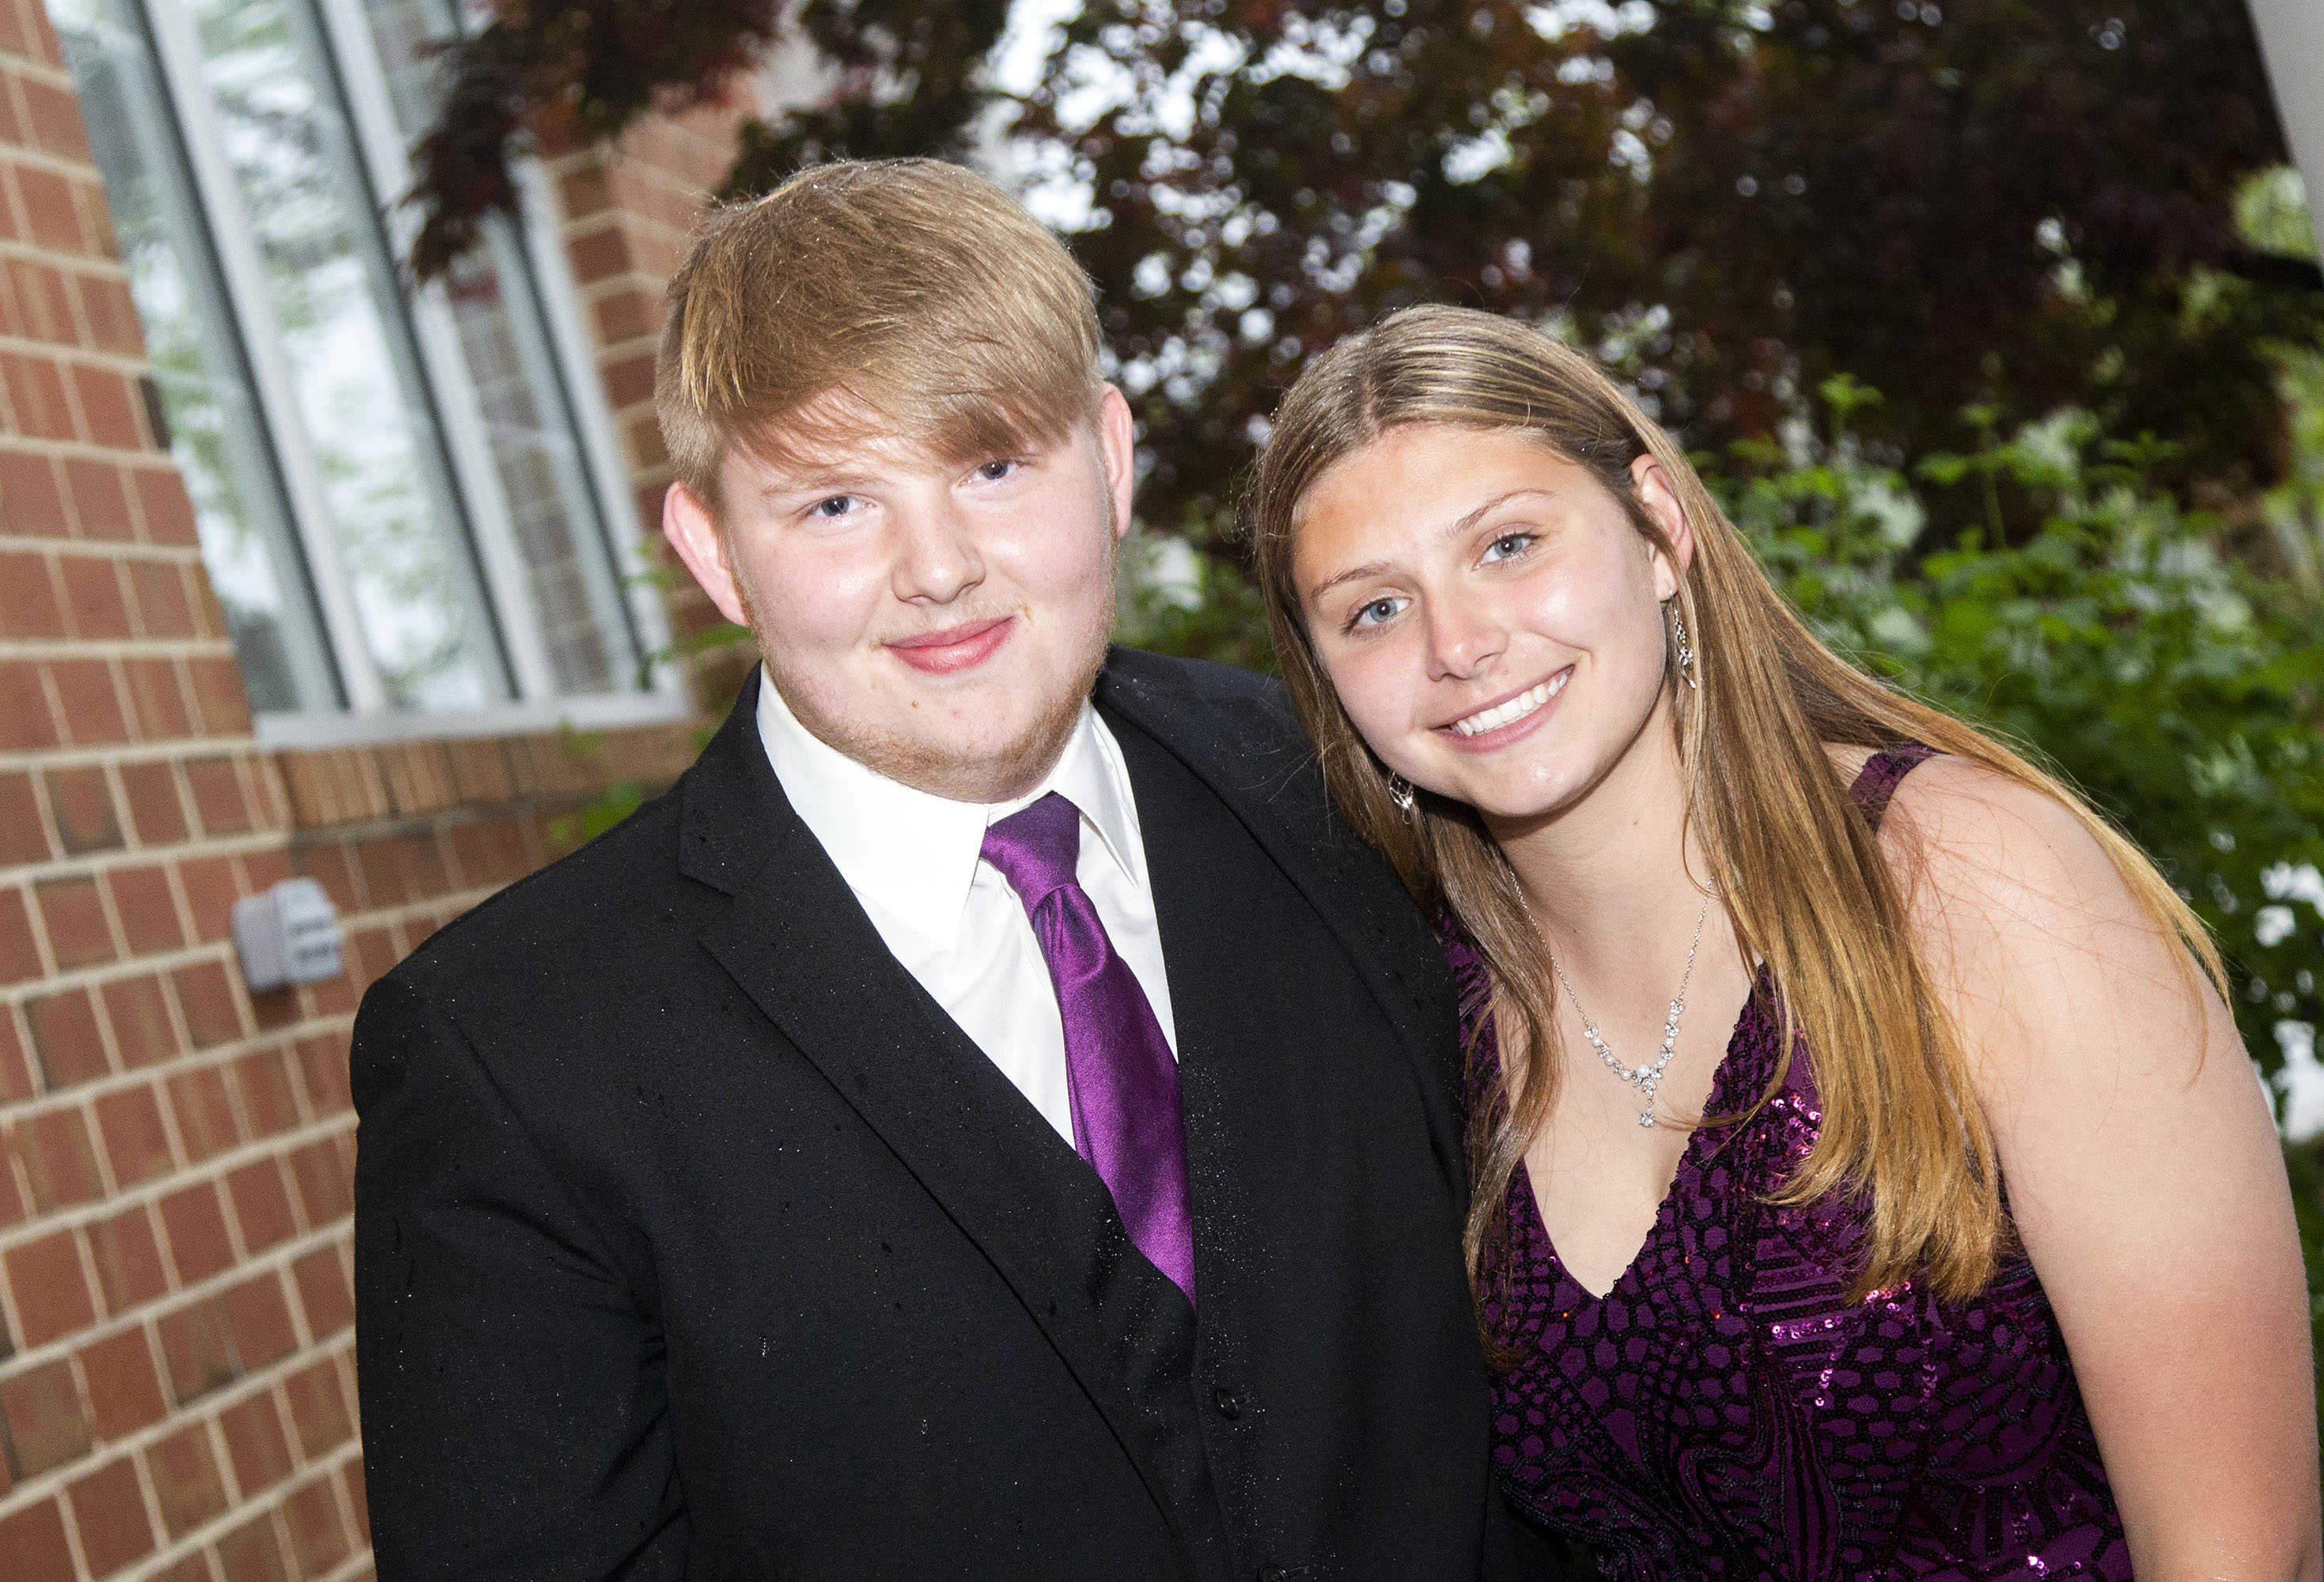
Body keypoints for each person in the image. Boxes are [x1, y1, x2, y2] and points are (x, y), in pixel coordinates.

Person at [349, 166, 1566, 1580]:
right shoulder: (511, 1049)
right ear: (715, 554)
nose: (936, 569)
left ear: (1110, 461)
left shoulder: (1340, 780)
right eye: (834, 504)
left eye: (992, 467)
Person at [1245, 304, 2321, 1580]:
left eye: (1510, 544)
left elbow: (2246, 1553)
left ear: (1658, 527)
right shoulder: (1427, 1024)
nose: (1459, 645)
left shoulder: (1965, 883)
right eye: (1374, 610)